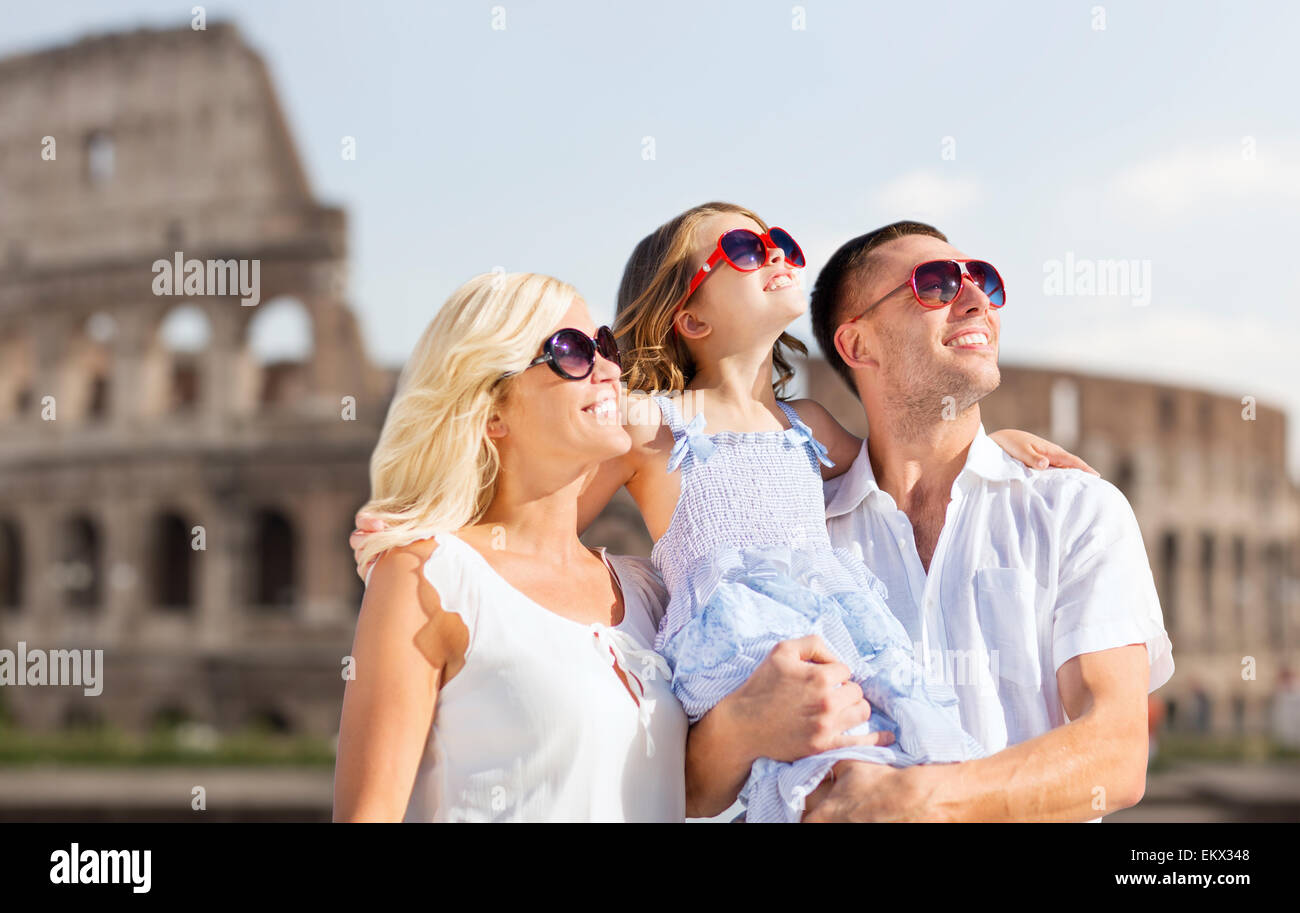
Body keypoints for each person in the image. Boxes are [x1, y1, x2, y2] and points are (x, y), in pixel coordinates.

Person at [696, 219, 1175, 822]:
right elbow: (692, 782)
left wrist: (917, 801)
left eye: (984, 281)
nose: (976, 299)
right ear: (857, 346)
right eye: (937, 283)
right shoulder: (792, 534)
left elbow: (1116, 752)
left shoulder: (1076, 510)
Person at [333, 272, 687, 822]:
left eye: (605, 345)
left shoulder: (648, 590)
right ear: (492, 411)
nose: (611, 369)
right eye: (571, 351)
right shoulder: (428, 575)